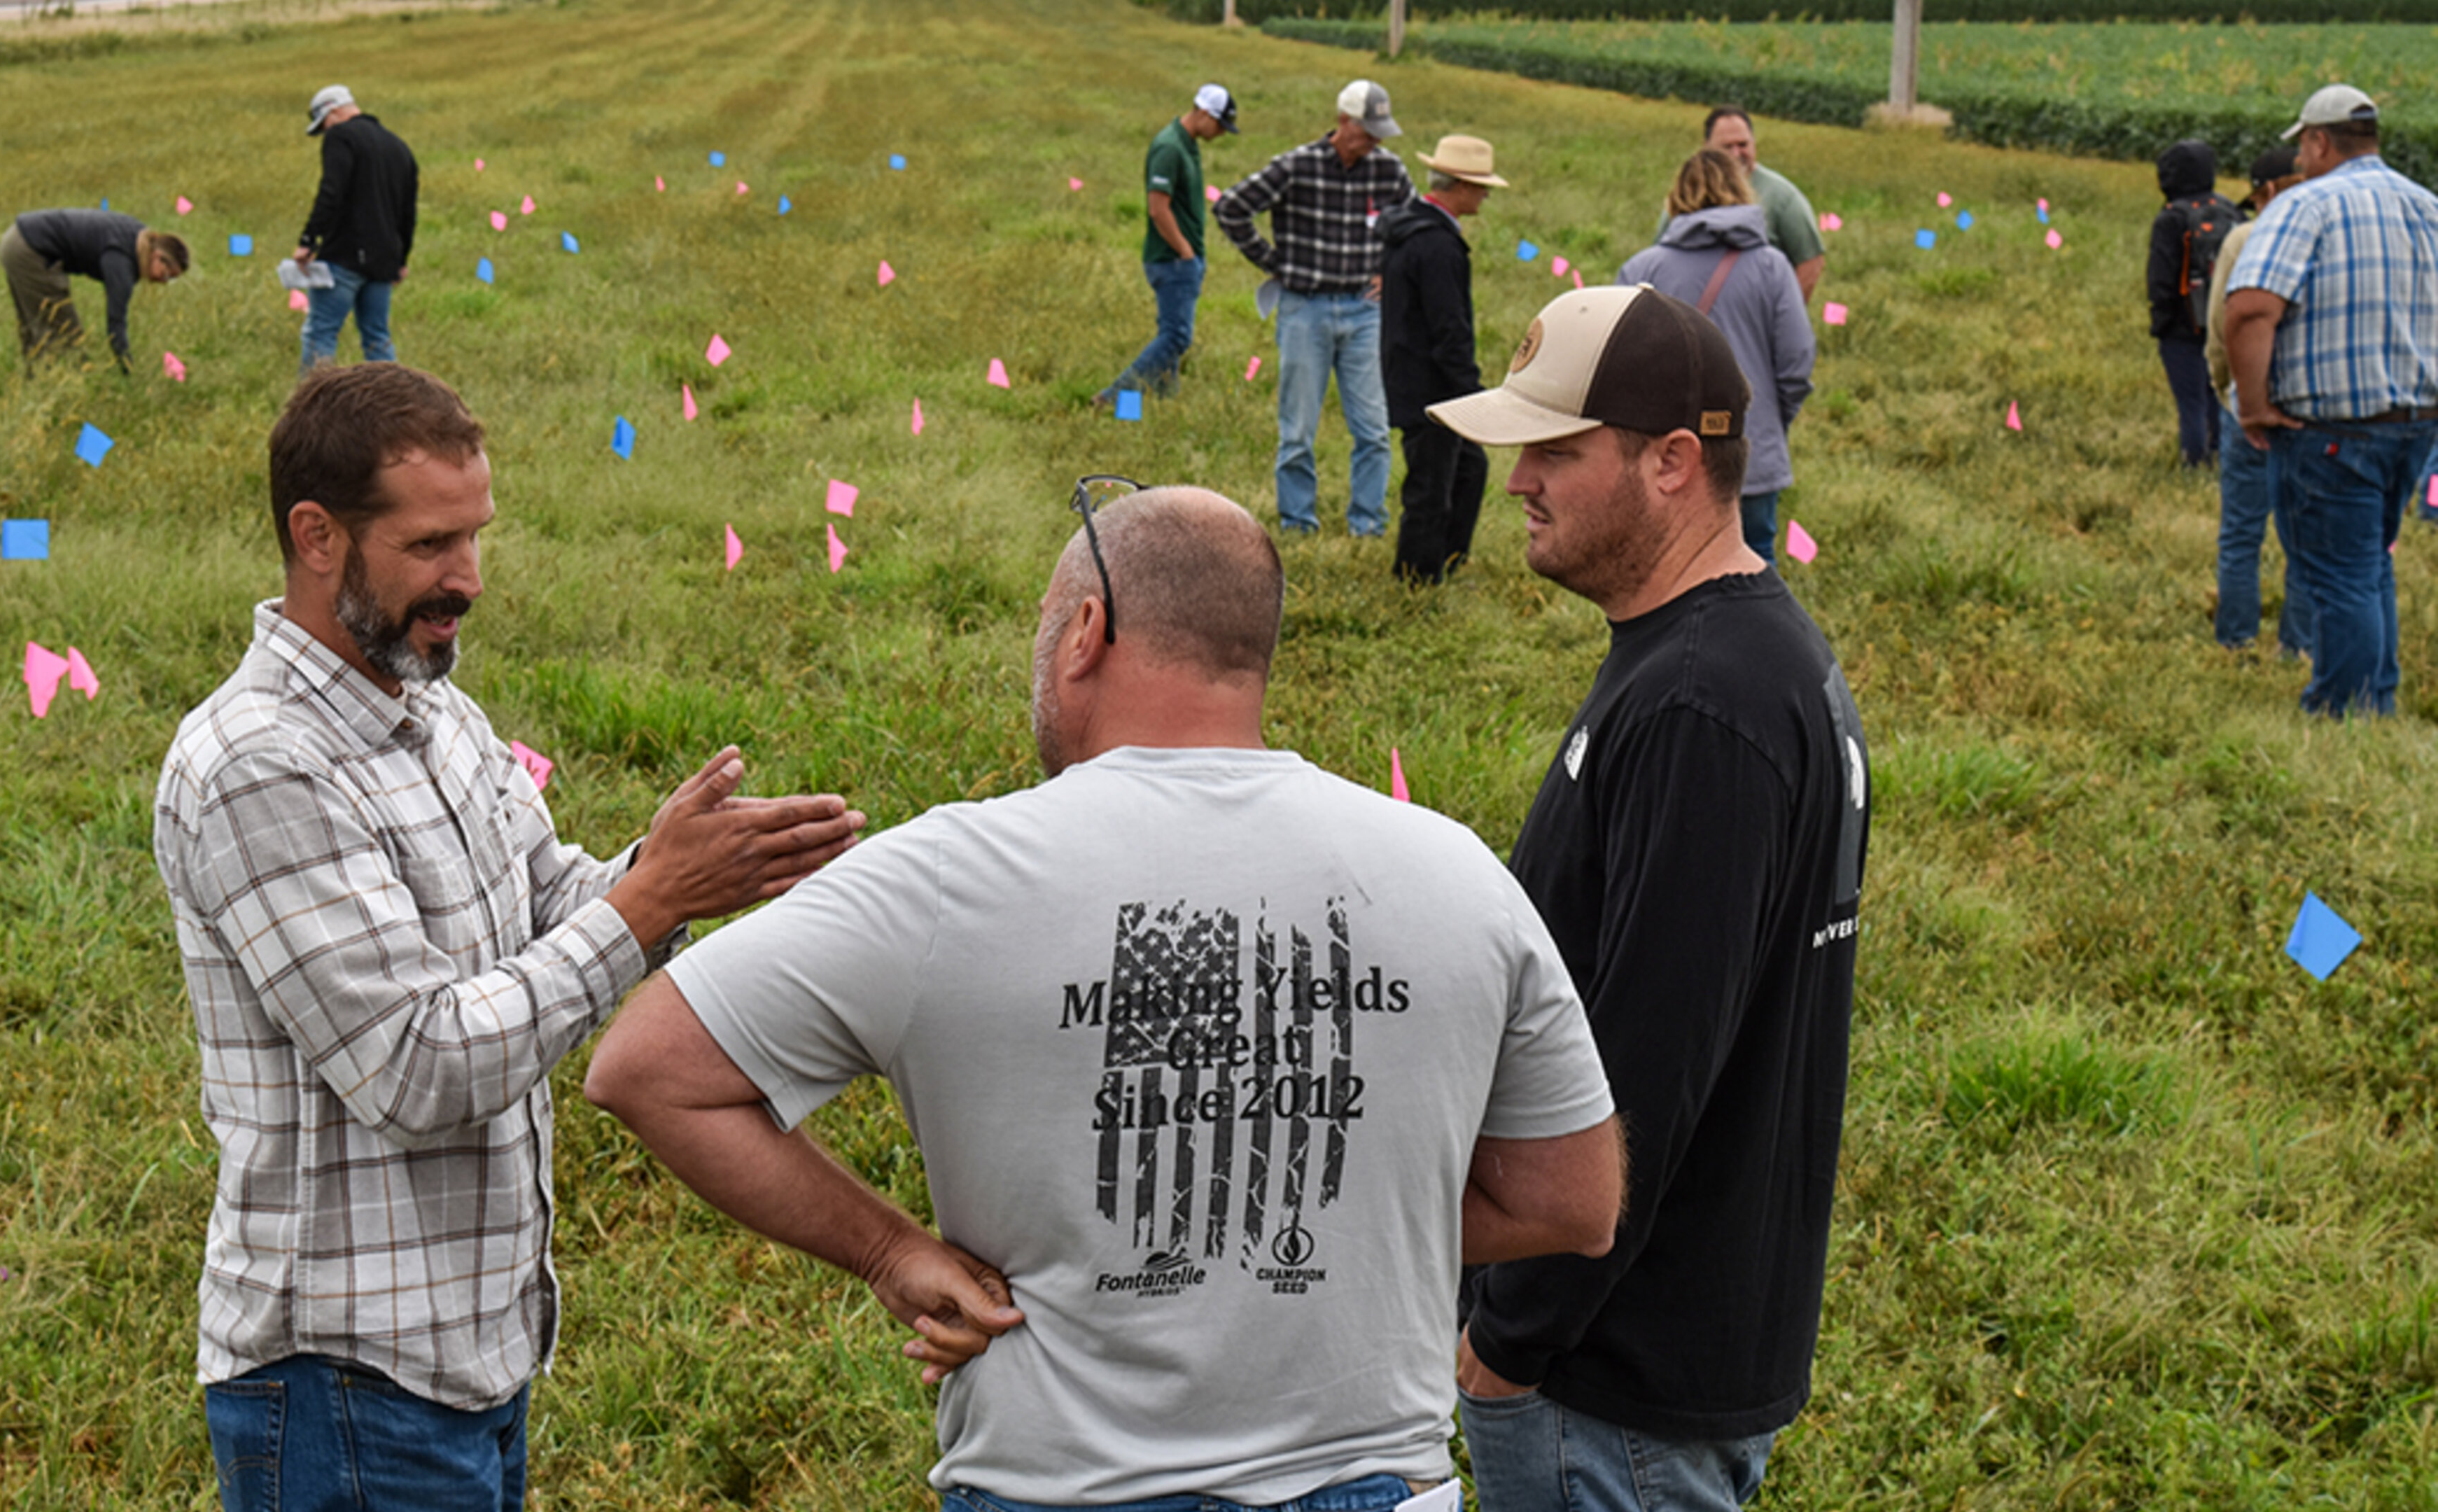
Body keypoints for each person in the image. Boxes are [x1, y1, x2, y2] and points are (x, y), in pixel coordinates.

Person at [584, 484, 1625, 1511]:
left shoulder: (950, 875)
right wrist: (1320, 1220)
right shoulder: (1455, 873)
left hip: (1064, 1486)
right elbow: (1575, 1201)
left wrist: (887, 1249)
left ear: (1085, 635)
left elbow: (647, 1067)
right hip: (1380, 1482)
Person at [153, 362, 865, 1512]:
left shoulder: (431, 707)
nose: (468, 580)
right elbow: (415, 1066)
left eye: (476, 538)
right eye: (433, 544)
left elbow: (542, 906)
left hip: (466, 1354)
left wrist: (675, 873)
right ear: (317, 536)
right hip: (348, 1379)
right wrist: (645, 906)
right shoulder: (257, 767)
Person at [1429, 284, 1870, 1512]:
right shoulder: (1727, 658)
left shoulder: (1703, 706)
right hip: (1651, 1348)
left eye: (1556, 451)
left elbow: (1648, 1067)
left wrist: (1511, 1341)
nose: (1519, 480)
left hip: (1614, 1376)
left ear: (1672, 462)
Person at [2225, 83, 2438, 717]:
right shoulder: (2427, 206)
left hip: (2332, 429)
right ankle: (2379, 701)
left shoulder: (2305, 207)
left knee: (2340, 576)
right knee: (2371, 566)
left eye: (2304, 148)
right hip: (2414, 425)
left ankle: (2337, 710)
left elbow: (2250, 310)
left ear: (2319, 142)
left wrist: (2255, 406)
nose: (2301, 161)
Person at [1216, 80, 1419, 537]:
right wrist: (1273, 263)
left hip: (1365, 312)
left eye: (1380, 133)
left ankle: (1367, 523)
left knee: (1374, 428)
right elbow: (1231, 208)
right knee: (1298, 429)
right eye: (1367, 132)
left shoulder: (1389, 171)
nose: (1375, 142)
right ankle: (1297, 522)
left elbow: (1414, 227)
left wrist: (1392, 270)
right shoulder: (1295, 167)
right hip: (1304, 309)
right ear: (1343, 122)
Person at [1620, 149, 1815, 564]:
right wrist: (1773, 422)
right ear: (1743, 192)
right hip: (1752, 451)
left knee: (1670, 565)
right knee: (1755, 558)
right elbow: (1798, 360)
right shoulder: (1773, 267)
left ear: (1676, 197)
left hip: (1666, 455)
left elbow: (1622, 367)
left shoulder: (1642, 269)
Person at [1380, 134, 1508, 584]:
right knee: (1431, 487)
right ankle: (1417, 578)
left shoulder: (1408, 229)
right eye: (1481, 186)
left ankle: (1448, 561)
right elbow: (1449, 327)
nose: (1486, 194)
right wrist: (1470, 393)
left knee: (1469, 469)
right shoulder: (1437, 246)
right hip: (1434, 388)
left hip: (1410, 376)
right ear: (1460, 187)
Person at [2204, 145, 2313, 657]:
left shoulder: (2244, 238)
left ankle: (2236, 640)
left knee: (2241, 534)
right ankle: (2299, 646)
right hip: (2311, 411)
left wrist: (2228, 390)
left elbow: (2221, 327)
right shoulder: (2329, 232)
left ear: (2266, 191)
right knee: (2308, 539)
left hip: (2246, 405)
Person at [1095, 85, 1239, 413]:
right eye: (1220, 126)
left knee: (1169, 340)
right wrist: (1185, 252)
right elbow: (1158, 208)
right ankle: (1111, 398)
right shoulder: (1169, 148)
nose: (1221, 134)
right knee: (1176, 338)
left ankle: (1152, 407)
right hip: (1173, 260)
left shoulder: (1187, 145)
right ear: (1204, 114)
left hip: (1182, 258)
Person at [293, 84, 419, 372]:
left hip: (345, 257)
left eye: (323, 125)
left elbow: (331, 191)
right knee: (377, 338)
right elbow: (407, 212)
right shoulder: (399, 147)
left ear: (334, 112)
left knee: (320, 333)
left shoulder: (342, 136)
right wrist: (401, 261)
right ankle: (391, 407)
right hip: (384, 262)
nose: (325, 133)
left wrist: (309, 240)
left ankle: (314, 408)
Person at [0, 209, 188, 376]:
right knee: (64, 334)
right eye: (166, 275)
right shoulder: (122, 262)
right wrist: (127, 367)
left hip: (18, 237)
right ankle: (66, 391)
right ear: (158, 256)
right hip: (31, 249)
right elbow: (116, 322)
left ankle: (34, 382)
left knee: (35, 324)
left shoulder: (140, 237)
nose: (163, 282)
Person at [2148, 139, 2238, 469]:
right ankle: (2220, 455)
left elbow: (2161, 279)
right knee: (2218, 393)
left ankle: (2194, 461)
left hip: (2180, 326)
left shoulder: (2171, 218)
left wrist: (2161, 321)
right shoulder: (2230, 210)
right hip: (2224, 321)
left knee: (2190, 401)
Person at [1690, 108, 1823, 302]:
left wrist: (1784, 315)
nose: (1736, 153)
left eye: (1743, 144)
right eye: (1726, 147)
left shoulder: (1783, 197)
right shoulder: (1690, 195)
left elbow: (1811, 263)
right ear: (1706, 148)